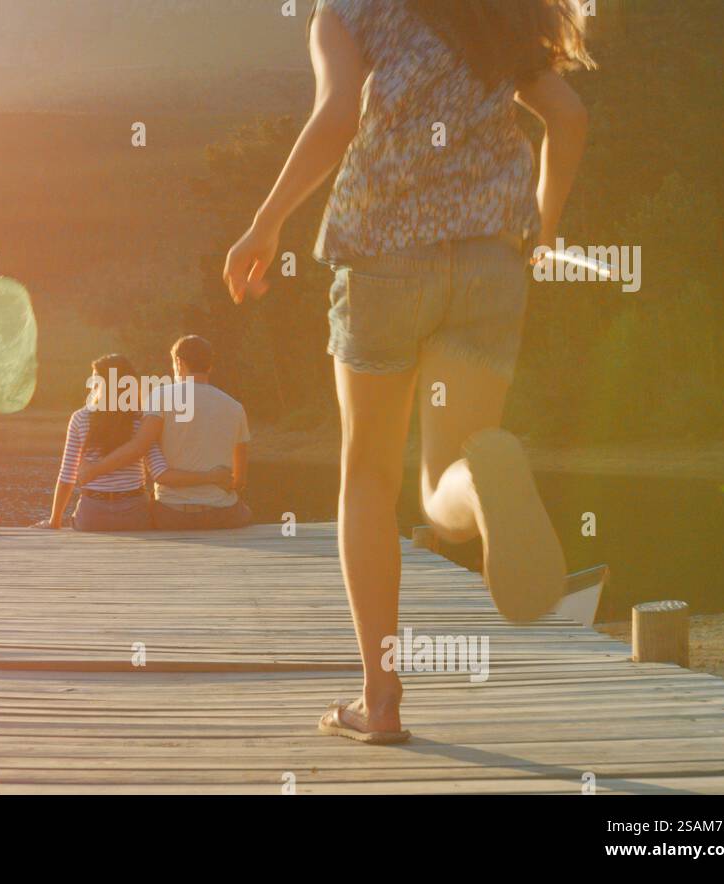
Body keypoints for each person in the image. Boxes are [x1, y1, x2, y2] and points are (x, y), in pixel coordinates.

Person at [223, 0, 592, 742]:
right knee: (447, 472)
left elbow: (336, 118)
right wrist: (541, 231)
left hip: (384, 259)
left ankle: (380, 699)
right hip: (492, 261)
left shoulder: (351, 10)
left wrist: (265, 223)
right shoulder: (499, 14)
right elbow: (570, 117)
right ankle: (481, 491)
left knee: (368, 478)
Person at [37, 354, 233, 532]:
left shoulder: (80, 418)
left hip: (92, 516)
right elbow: (159, 472)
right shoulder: (141, 421)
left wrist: (55, 521)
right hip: (134, 515)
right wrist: (210, 476)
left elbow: (67, 476)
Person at [81, 336, 252, 531]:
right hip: (222, 515)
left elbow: (138, 448)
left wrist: (94, 470)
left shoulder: (160, 396)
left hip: (172, 515)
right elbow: (239, 480)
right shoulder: (235, 408)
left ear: (179, 363)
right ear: (210, 366)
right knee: (244, 511)